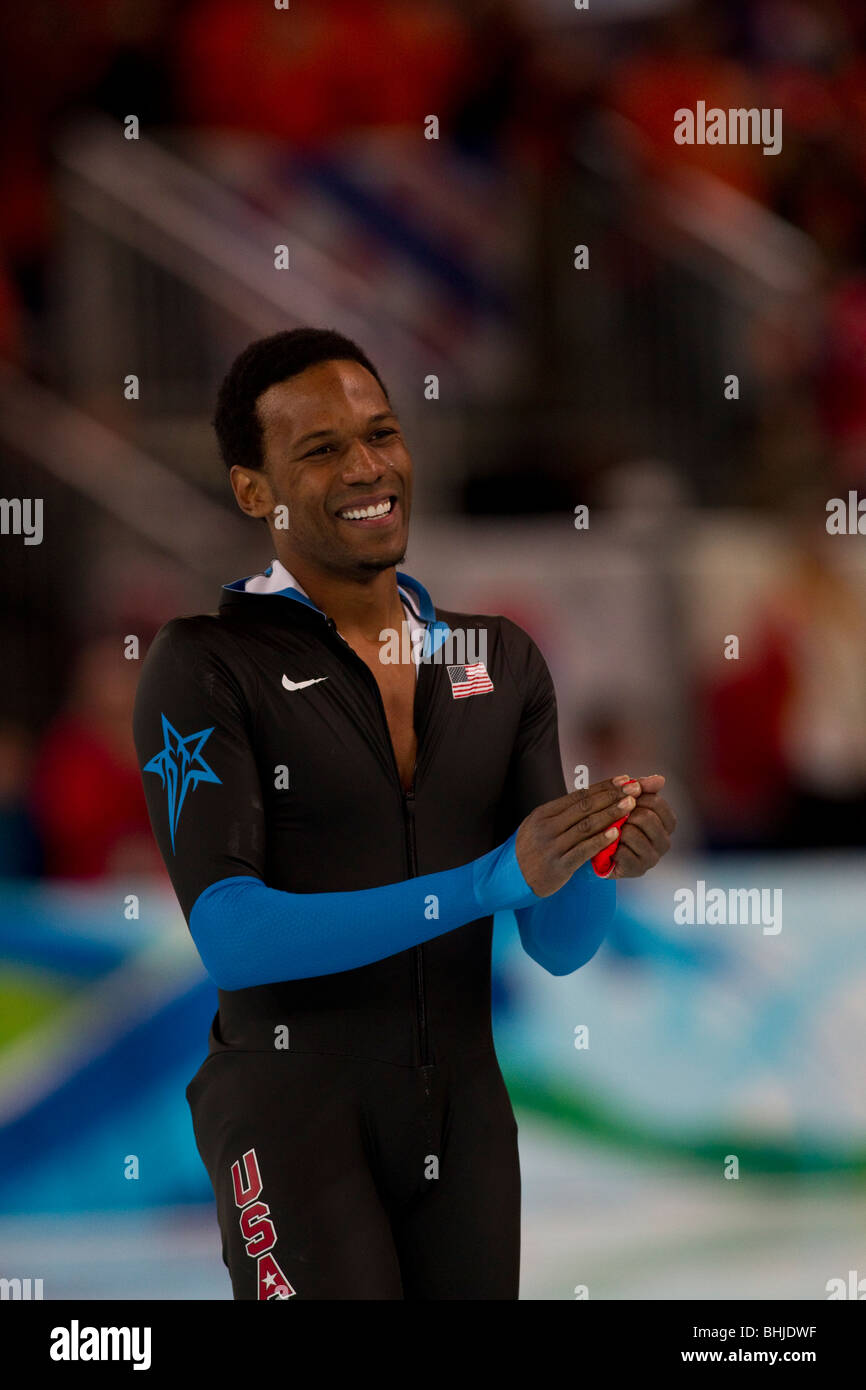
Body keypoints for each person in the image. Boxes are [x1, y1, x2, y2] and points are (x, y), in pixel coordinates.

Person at [133, 327, 676, 1300]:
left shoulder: (499, 661)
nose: (366, 466)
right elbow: (232, 934)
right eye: (321, 448)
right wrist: (478, 883)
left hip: (463, 1121)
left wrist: (598, 856)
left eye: (380, 434)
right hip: (287, 1115)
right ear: (254, 490)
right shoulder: (205, 664)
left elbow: (554, 943)